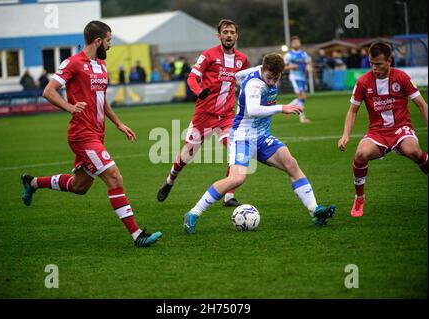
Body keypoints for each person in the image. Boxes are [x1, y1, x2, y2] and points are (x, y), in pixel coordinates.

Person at [20, 20, 162, 247]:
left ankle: (33, 183)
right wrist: (69, 107)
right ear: (98, 41)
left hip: (97, 134)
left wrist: (118, 123)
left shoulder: (101, 66)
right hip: (82, 135)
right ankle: (138, 235)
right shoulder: (73, 63)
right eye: (108, 41)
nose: (110, 45)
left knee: (80, 186)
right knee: (115, 178)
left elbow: (101, 100)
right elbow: (49, 91)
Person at [183, 53, 336, 234]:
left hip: (262, 137)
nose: (272, 82)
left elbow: (238, 76)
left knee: (291, 163)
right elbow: (254, 110)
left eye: (276, 78)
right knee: (237, 179)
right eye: (269, 77)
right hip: (242, 137)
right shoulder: (256, 84)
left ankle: (315, 211)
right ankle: (193, 213)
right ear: (263, 70)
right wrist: (282, 108)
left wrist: (240, 83)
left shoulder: (259, 71)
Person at [156, 19, 249, 207]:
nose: (229, 35)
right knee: (187, 154)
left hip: (227, 116)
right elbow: (192, 77)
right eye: (225, 32)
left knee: (235, 152)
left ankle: (229, 196)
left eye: (232, 32)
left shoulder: (242, 60)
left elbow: (247, 82)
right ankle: (170, 181)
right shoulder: (208, 55)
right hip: (204, 115)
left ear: (236, 36)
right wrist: (199, 92)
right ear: (219, 36)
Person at [338, 41, 428, 217]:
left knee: (414, 152)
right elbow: (352, 111)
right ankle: (359, 198)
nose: (374, 68)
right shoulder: (363, 82)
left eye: (378, 64)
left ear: (389, 61)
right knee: (360, 154)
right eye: (371, 64)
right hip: (378, 132)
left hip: (401, 128)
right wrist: (345, 135)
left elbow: (422, 105)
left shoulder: (401, 77)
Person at [283, 36, 312, 123]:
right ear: (291, 44)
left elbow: (308, 62)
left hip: (303, 78)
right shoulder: (288, 55)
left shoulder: (303, 54)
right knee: (302, 96)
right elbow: (282, 66)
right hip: (295, 78)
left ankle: (287, 107)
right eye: (294, 42)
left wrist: (308, 67)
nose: (296, 44)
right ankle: (302, 118)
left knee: (302, 98)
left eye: (297, 42)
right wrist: (290, 67)